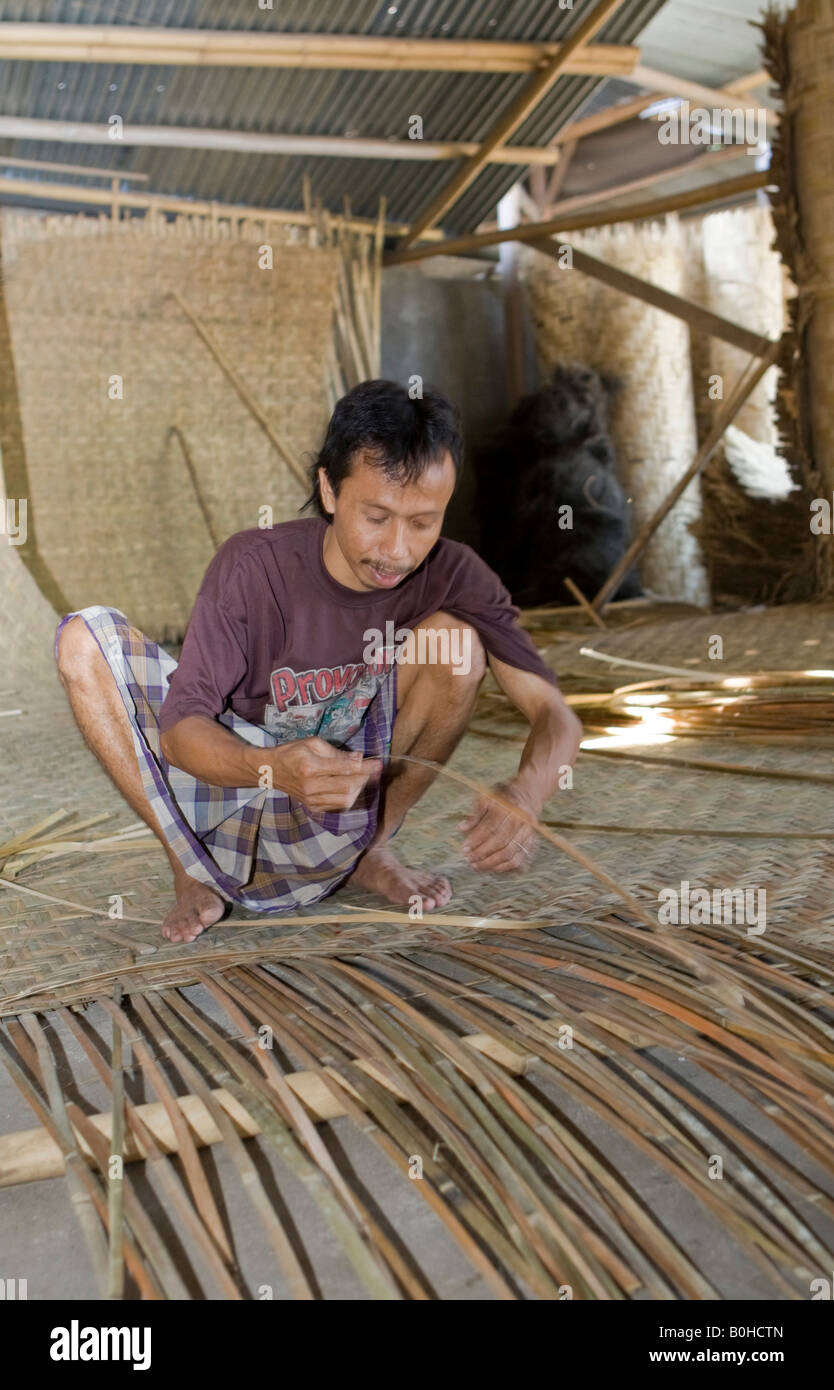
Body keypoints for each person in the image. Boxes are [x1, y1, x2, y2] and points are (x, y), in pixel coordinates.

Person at [55, 380, 581, 944]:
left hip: (343, 801)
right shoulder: (253, 567)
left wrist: (528, 790)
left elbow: (555, 712)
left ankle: (368, 850)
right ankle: (189, 866)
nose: (398, 550)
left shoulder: (455, 573)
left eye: (424, 522)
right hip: (221, 782)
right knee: (84, 638)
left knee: (457, 646)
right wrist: (274, 767)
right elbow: (181, 735)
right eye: (376, 517)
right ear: (329, 490)